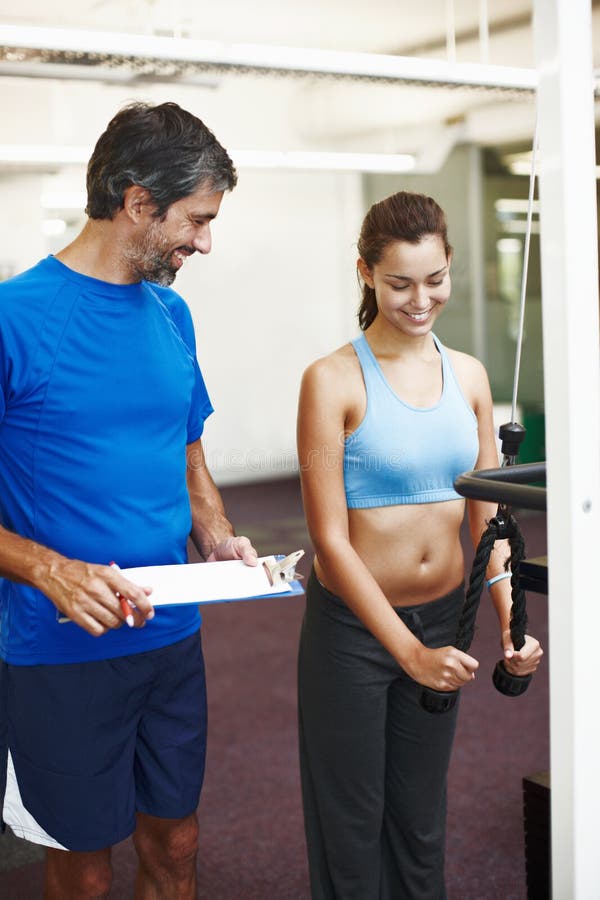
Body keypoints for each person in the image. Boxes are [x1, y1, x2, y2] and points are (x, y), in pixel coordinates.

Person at [0, 101, 258, 899]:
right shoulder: (13, 317)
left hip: (171, 637)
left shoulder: (171, 315)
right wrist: (48, 569)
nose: (205, 242)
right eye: (196, 219)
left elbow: (187, 450)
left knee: (177, 843)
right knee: (83, 868)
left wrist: (214, 531)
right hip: (61, 649)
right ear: (138, 200)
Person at [296, 191, 543, 899]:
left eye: (434, 279)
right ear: (366, 273)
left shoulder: (468, 375)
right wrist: (407, 652)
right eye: (400, 282)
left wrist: (509, 623)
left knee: (420, 821)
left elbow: (487, 520)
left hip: (444, 621)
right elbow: (330, 543)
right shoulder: (331, 379)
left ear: (450, 266)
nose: (419, 298)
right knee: (351, 824)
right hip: (354, 634)